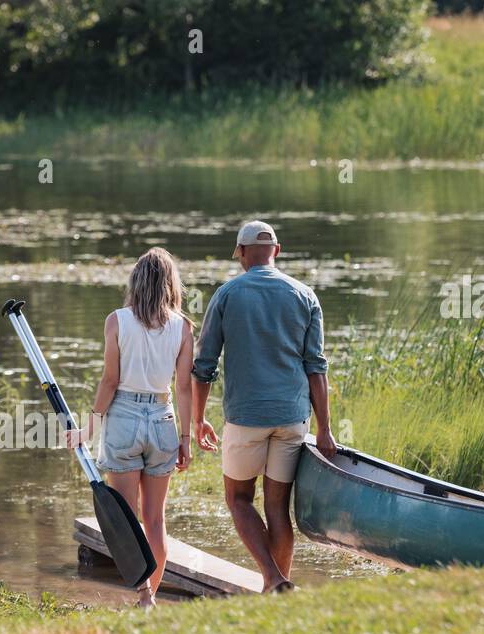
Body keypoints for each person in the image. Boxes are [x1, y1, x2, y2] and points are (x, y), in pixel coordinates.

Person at [191, 220, 337, 594]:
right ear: (278, 250)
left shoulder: (227, 295)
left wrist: (198, 418)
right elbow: (316, 366)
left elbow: (204, 365)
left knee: (238, 498)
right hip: (292, 417)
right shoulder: (305, 295)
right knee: (277, 507)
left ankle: (273, 579)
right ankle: (279, 589)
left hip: (246, 418)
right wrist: (325, 430)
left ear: (240, 253)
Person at [67, 247, 194, 608]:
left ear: (136, 282)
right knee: (156, 521)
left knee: (127, 519)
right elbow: (184, 387)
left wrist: (88, 427)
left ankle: (143, 596)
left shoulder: (117, 321)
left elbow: (110, 381)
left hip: (123, 418)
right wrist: (185, 438)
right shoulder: (183, 327)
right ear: (171, 284)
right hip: (163, 418)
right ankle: (148, 597)